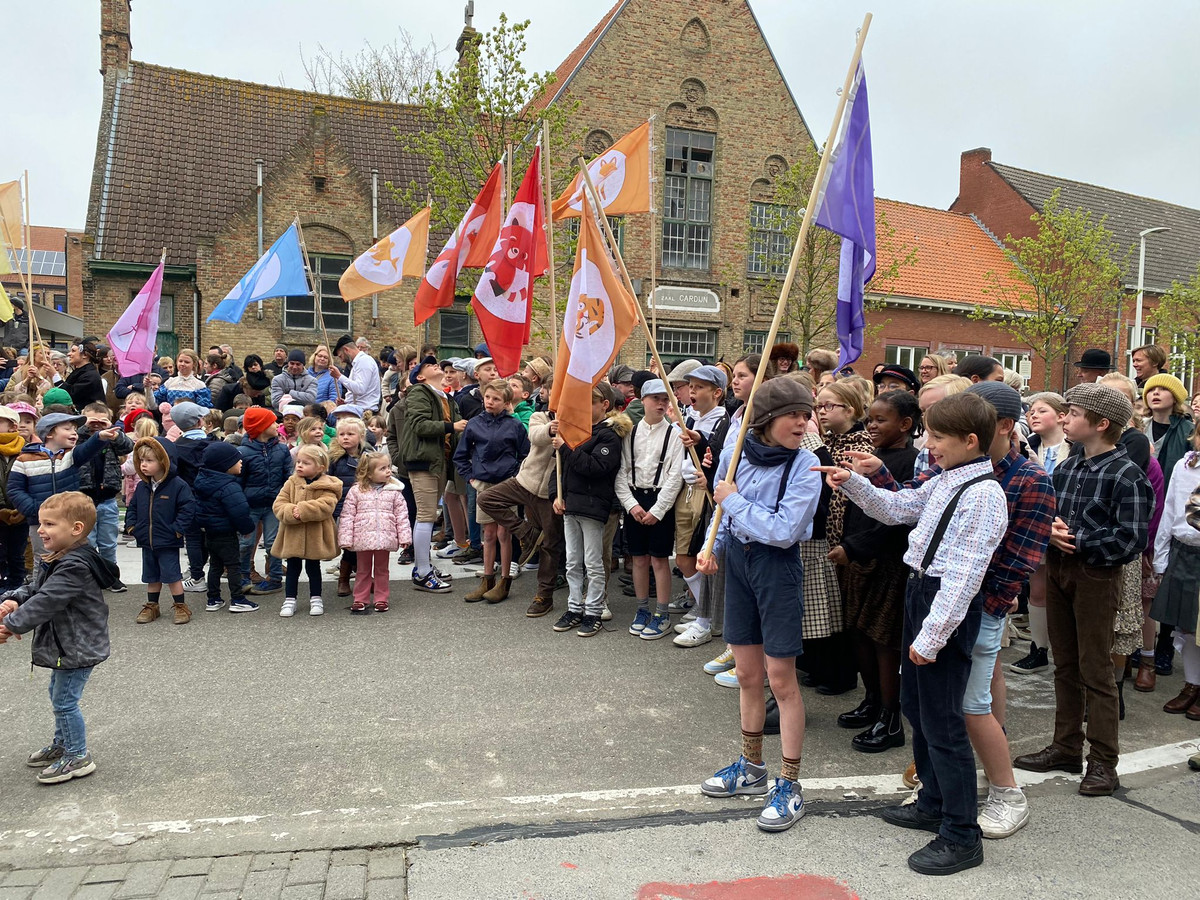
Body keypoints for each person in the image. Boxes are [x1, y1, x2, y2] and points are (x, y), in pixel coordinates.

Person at [818, 391, 1008, 874]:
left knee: (944, 723)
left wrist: (931, 637)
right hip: (921, 594)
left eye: (938, 437)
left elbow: (964, 578)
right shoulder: (947, 478)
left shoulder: (984, 495)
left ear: (970, 441)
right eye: (927, 433)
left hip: (942, 605)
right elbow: (900, 507)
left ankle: (962, 833)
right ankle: (932, 802)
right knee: (917, 709)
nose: (929, 443)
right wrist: (855, 485)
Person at [1014, 383, 1153, 797]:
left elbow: (1131, 540)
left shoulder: (1127, 474)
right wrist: (1052, 532)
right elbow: (1054, 514)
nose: (1066, 418)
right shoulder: (1070, 466)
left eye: (1074, 413)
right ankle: (1066, 746)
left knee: (1097, 671)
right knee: (1065, 664)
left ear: (1101, 423)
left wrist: (1075, 540)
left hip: (1096, 576)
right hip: (1059, 571)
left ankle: (1103, 761)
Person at [696, 378, 822, 834]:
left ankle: (790, 783)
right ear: (767, 419)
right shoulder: (735, 455)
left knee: (780, 679)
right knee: (747, 674)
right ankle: (750, 768)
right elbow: (722, 509)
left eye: (807, 415)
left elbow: (784, 529)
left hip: (776, 567)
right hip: (739, 563)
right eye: (795, 414)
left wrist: (734, 502)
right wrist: (714, 544)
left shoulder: (807, 465)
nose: (804, 423)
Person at [0, 491, 119, 783]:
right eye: (40, 523)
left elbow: (47, 600)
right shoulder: (58, 557)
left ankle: (78, 756)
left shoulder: (74, 566)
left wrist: (12, 625)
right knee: (58, 694)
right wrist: (15, 599)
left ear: (76, 529)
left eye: (50, 524)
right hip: (64, 645)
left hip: (77, 647)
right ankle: (63, 743)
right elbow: (36, 588)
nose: (41, 530)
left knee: (65, 701)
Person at [833, 389, 920, 753]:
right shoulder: (872, 457)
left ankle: (890, 716)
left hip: (889, 564)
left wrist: (853, 547)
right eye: (869, 419)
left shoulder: (911, 463)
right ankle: (871, 699)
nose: (871, 426)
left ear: (906, 424)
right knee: (859, 635)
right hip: (857, 562)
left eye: (880, 420)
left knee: (885, 641)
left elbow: (895, 520)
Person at [477, 373, 564, 618]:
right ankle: (526, 532)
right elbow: (534, 436)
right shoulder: (539, 416)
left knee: (551, 545)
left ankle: (544, 595)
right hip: (525, 482)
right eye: (551, 393)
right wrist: (550, 429)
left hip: (551, 492)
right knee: (487, 499)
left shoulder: (577, 422)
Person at [549, 384, 631, 637]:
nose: (584, 408)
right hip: (571, 503)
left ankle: (593, 610)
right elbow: (560, 469)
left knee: (593, 562)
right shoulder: (577, 430)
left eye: (590, 403)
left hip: (594, 506)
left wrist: (564, 446)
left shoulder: (609, 435)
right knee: (573, 561)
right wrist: (556, 494)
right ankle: (574, 607)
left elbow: (594, 466)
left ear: (604, 405)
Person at [616, 377, 684, 639]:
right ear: (642, 400)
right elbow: (621, 473)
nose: (661, 403)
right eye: (655, 398)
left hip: (660, 502)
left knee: (659, 559)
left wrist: (658, 510)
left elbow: (675, 476)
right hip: (635, 500)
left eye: (665, 399)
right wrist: (631, 505)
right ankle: (642, 608)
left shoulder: (675, 434)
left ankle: (662, 612)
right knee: (638, 558)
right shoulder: (630, 432)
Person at [455, 379, 530, 604]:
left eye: (496, 399)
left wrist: (515, 475)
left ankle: (504, 580)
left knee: (504, 534)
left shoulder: (515, 425)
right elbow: (461, 454)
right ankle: (487, 579)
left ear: (506, 402)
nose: (490, 402)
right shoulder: (474, 424)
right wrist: (470, 477)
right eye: (488, 397)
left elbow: (524, 454)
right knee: (488, 534)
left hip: (507, 485)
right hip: (483, 484)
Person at [8, 412, 114, 558]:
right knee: (43, 559)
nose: (74, 433)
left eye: (75, 430)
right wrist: (33, 509)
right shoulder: (24, 459)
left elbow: (87, 449)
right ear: (50, 433)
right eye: (68, 429)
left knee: (73, 557)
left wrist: (99, 437)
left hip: (69, 521)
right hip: (40, 522)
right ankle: (43, 582)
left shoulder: (71, 456)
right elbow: (14, 489)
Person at [399, 357, 465, 594]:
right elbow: (419, 425)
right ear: (420, 376)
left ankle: (424, 565)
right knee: (426, 516)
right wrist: (452, 427)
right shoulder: (420, 391)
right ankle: (422, 572)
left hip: (439, 462)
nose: (436, 365)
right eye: (430, 365)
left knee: (428, 514)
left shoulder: (446, 397)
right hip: (424, 461)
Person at [1150, 435, 1200, 718]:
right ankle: (1192, 684)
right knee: (1187, 627)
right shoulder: (1185, 465)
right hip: (1184, 551)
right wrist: (1161, 557)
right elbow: (1170, 510)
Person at [128, 437, 195, 625]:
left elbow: (188, 508)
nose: (143, 465)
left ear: (164, 462)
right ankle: (152, 605)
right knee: (151, 575)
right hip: (146, 540)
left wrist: (177, 530)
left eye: (149, 461)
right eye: (141, 461)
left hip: (167, 540)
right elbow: (132, 507)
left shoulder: (178, 485)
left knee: (172, 575)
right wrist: (132, 527)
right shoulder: (142, 486)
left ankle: (181, 606)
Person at [271, 443, 341, 617]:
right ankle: (290, 599)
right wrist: (289, 511)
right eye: (298, 462)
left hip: (315, 535)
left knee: (313, 567)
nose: (299, 465)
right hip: (293, 534)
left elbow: (327, 505)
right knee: (293, 567)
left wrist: (302, 510)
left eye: (306, 463)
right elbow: (279, 503)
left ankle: (316, 598)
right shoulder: (291, 482)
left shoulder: (328, 485)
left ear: (320, 467)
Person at [339, 450, 411, 614]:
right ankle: (360, 598)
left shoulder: (394, 491)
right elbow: (347, 515)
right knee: (362, 570)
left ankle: (381, 598)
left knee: (382, 570)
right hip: (362, 539)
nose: (388, 471)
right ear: (369, 474)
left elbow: (402, 515)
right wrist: (346, 538)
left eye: (388, 467)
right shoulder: (356, 491)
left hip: (384, 539)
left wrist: (404, 536)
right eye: (383, 468)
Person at [193, 441, 257, 614]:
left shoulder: (202, 481)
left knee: (215, 566)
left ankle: (213, 598)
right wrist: (247, 528)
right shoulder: (229, 486)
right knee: (233, 566)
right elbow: (240, 511)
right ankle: (237, 599)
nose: (241, 462)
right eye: (237, 460)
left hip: (210, 532)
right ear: (225, 466)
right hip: (227, 533)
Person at [76, 403, 133, 593]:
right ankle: (89, 578)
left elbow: (127, 447)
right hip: (84, 499)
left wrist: (112, 431)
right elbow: (75, 446)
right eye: (93, 421)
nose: (97, 426)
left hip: (108, 498)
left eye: (102, 421)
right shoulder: (78, 437)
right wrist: (86, 428)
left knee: (108, 543)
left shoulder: (112, 439)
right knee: (87, 543)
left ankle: (111, 577)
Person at [238, 407, 292, 595]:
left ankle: (275, 577)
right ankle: (243, 577)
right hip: (249, 505)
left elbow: (288, 477)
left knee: (273, 542)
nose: (278, 425)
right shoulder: (242, 452)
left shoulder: (282, 450)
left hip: (273, 504)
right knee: (245, 543)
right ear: (261, 427)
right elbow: (238, 480)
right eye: (272, 422)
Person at [329, 416, 367, 597]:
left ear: (360, 436)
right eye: (341, 434)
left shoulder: (368, 455)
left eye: (350, 434)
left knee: (363, 544)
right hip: (343, 507)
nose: (345, 437)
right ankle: (343, 579)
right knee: (350, 545)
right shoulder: (334, 458)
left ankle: (364, 577)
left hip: (365, 507)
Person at [1141, 373, 1194, 492]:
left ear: (1175, 398)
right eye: (1151, 390)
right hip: (1141, 498)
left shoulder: (1189, 431)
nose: (1156, 393)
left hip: (1172, 497)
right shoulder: (1139, 428)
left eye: (1163, 389)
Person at [331, 335, 382, 413]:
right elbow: (357, 393)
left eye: (341, 356)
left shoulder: (364, 361)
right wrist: (347, 403)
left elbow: (360, 389)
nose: (341, 361)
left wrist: (339, 376)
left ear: (346, 349)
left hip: (365, 413)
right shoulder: (357, 364)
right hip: (358, 410)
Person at [63, 341, 106, 410]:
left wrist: (55, 376)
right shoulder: (79, 372)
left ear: (85, 355)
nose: (69, 354)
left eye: (73, 351)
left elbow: (69, 395)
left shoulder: (90, 376)